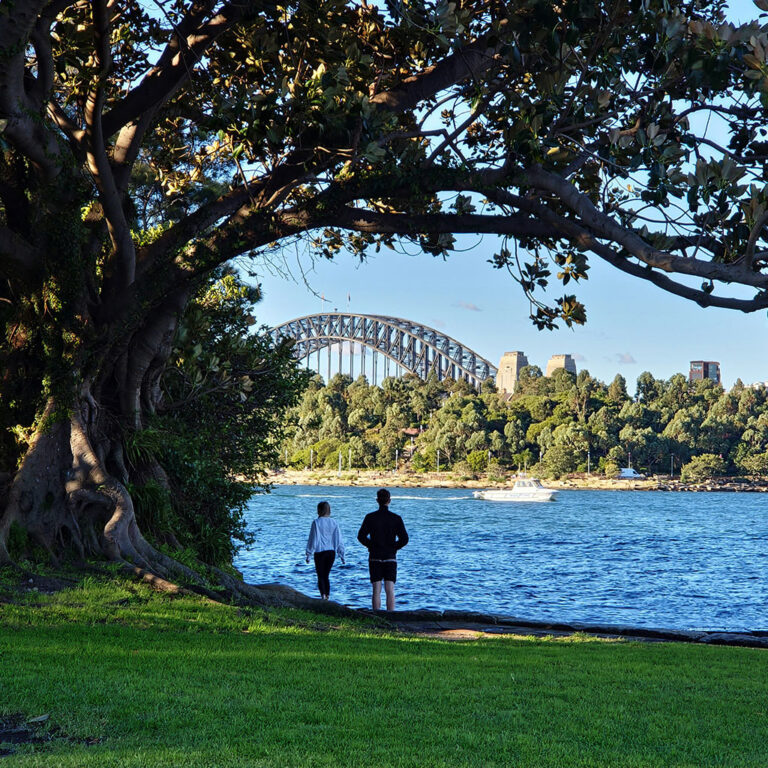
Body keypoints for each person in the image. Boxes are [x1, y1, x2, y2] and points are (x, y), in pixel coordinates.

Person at [357, 488, 409, 611]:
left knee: (376, 589)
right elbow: (404, 539)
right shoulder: (396, 518)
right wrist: (394, 547)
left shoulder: (370, 517)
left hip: (375, 555)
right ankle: (391, 615)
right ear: (389, 501)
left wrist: (371, 545)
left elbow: (361, 536)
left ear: (377, 500)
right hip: (390, 556)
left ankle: (376, 614)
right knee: (390, 589)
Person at [305, 501, 345, 600]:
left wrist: (309, 554)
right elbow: (338, 539)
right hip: (331, 552)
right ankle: (327, 596)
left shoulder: (316, 522)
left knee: (320, 576)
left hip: (320, 552)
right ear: (329, 510)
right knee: (326, 575)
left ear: (319, 510)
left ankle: (323, 596)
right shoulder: (334, 522)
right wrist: (341, 554)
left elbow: (312, 539)